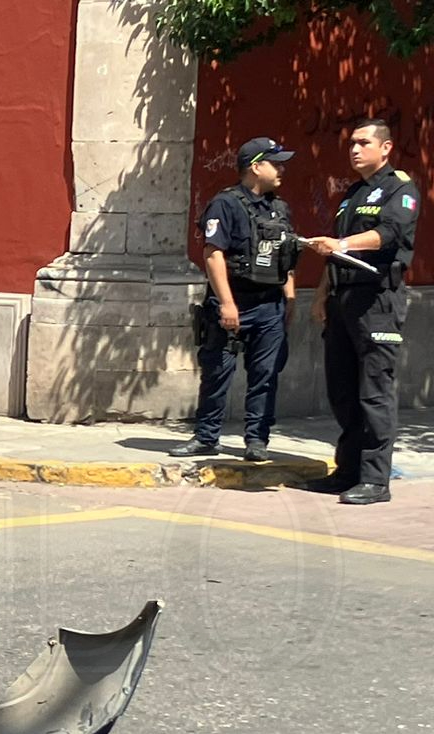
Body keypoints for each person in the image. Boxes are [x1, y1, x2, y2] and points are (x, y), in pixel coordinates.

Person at [301, 118, 421, 504]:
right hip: (342, 299)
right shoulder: (352, 194)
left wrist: (343, 242)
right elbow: (335, 253)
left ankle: (375, 479)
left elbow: (388, 235)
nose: (354, 149)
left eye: (363, 143)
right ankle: (348, 470)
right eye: (351, 143)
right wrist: (322, 294)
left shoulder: (400, 190)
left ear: (385, 148)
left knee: (374, 392)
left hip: (376, 301)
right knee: (342, 391)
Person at [169, 137, 298, 463]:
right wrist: (227, 304)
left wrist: (290, 297)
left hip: (270, 304)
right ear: (256, 167)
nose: (281, 168)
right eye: (275, 162)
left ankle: (257, 441)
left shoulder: (278, 207)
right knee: (217, 372)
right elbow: (213, 255)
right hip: (233, 302)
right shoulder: (224, 205)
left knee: (265, 376)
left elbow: (286, 255)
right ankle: (206, 437)